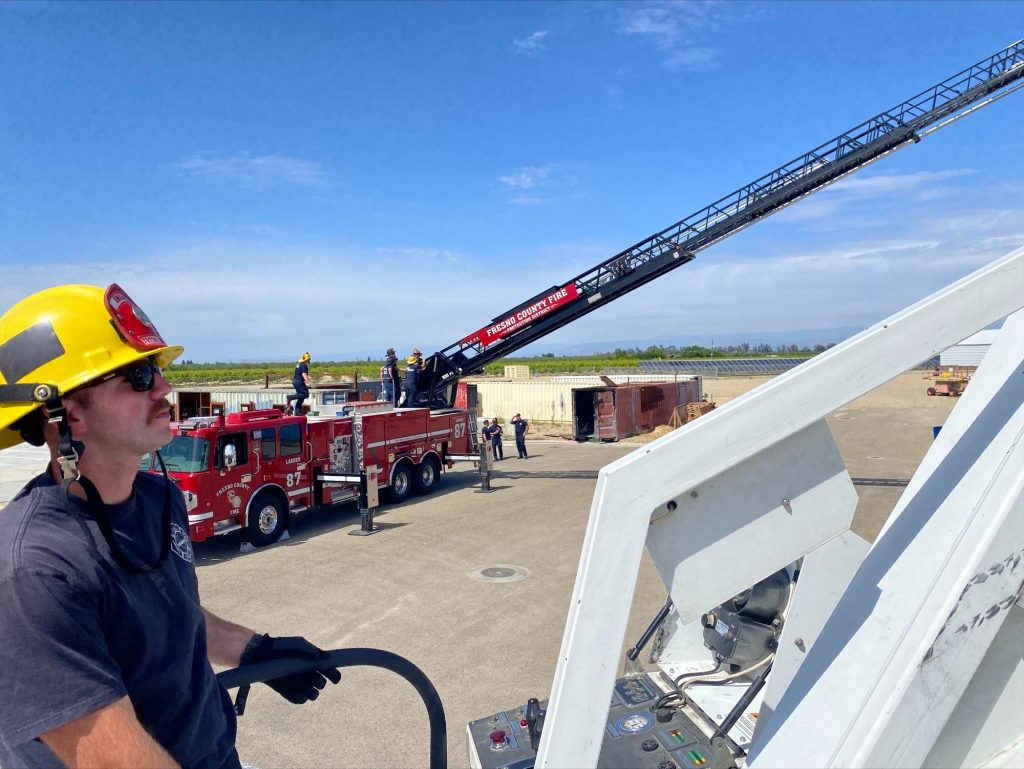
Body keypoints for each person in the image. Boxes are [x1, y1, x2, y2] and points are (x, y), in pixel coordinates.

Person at [0, 284, 341, 769]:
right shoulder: (33, 570)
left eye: (158, 370)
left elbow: (166, 617)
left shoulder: (160, 499)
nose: (163, 389)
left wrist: (253, 650)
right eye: (139, 376)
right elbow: (113, 760)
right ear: (69, 412)